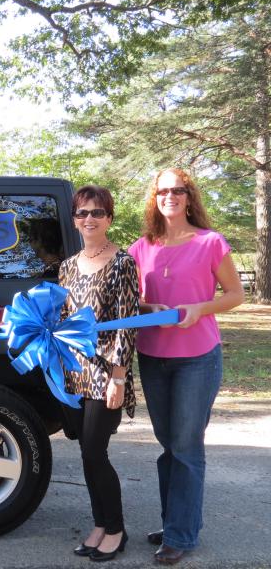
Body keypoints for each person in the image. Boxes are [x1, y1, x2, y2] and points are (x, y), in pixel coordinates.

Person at [128, 168, 243, 565]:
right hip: (153, 357)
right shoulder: (141, 246)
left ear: (189, 196)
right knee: (169, 445)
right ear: (154, 198)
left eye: (177, 190)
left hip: (197, 358)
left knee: (185, 446)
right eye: (162, 191)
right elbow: (126, 299)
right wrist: (148, 308)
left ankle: (181, 533)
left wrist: (200, 309)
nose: (169, 196)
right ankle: (176, 522)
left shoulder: (211, 242)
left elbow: (235, 294)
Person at [59, 185, 138, 563]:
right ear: (75, 219)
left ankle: (117, 529)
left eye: (96, 212)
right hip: (74, 373)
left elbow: (126, 325)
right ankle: (99, 524)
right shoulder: (68, 265)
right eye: (81, 213)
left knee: (95, 451)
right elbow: (62, 320)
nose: (88, 219)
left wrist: (118, 379)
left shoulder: (122, 262)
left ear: (109, 217)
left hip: (106, 373)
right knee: (86, 454)